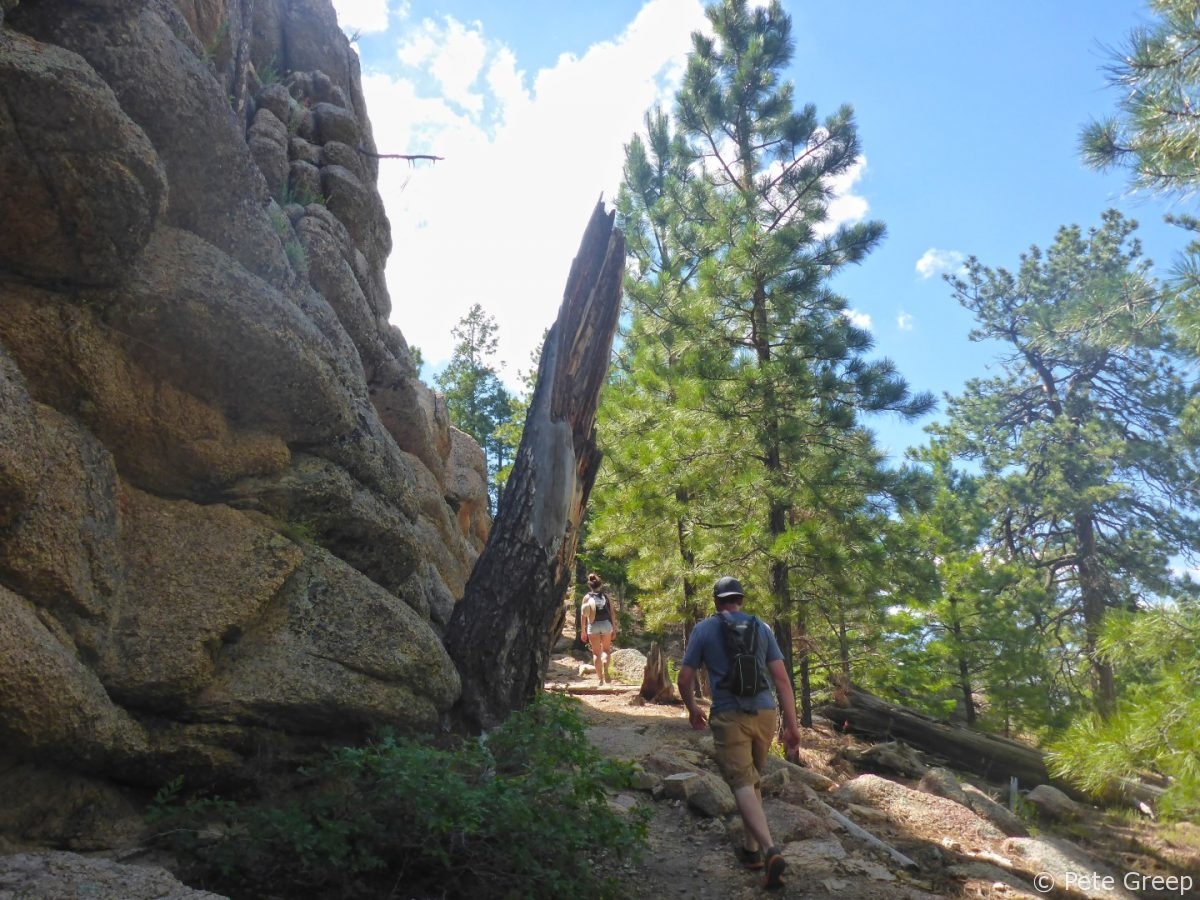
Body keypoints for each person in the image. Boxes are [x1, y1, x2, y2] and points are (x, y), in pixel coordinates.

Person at [677, 576, 802, 891]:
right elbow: (782, 680)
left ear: (717, 602)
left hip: (729, 714)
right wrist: (792, 725)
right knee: (752, 780)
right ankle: (751, 851)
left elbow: (685, 677)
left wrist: (692, 708)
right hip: (765, 713)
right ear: (741, 600)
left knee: (743, 784)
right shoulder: (763, 629)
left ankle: (771, 850)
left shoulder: (705, 629)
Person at [580, 573, 618, 684]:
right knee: (606, 650)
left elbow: (583, 615)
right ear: (600, 585)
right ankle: (606, 668)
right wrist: (614, 628)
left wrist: (583, 630)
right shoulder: (606, 596)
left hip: (593, 625)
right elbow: (612, 613)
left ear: (590, 585)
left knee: (596, 653)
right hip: (606, 624)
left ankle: (600, 679)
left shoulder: (586, 598)